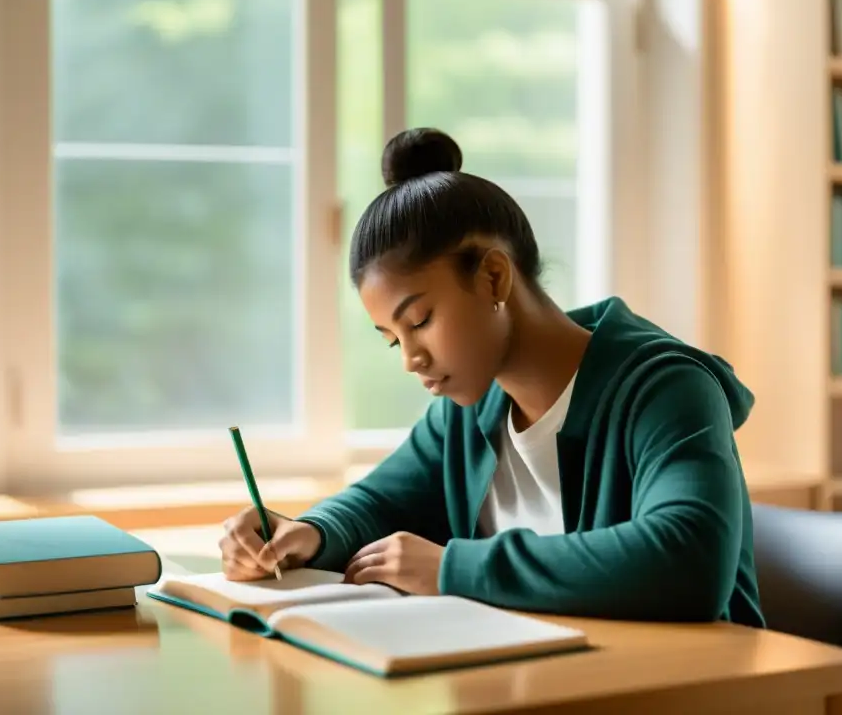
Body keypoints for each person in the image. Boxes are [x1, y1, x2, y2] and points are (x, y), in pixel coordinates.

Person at [219, 127, 765, 626]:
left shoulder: (664, 390)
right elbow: (379, 503)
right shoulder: (466, 414)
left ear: (494, 277)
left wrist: (454, 569)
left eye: (420, 321)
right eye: (392, 339)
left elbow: (688, 560)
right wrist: (306, 533)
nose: (411, 358)